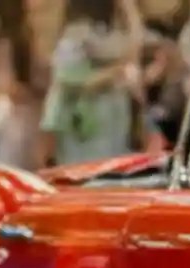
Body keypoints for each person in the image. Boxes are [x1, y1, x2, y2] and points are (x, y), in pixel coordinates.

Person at [39, 0, 144, 167]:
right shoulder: (75, 35)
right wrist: (114, 72)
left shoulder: (109, 36)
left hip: (111, 125)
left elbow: (133, 46)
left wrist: (129, 9)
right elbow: (68, 78)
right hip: (84, 127)